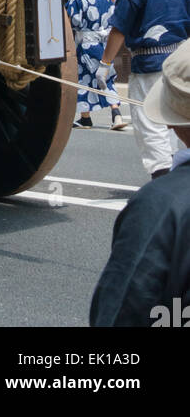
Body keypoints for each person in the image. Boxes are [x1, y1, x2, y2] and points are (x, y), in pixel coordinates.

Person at [89, 36, 190, 327]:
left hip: (148, 64)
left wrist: (106, 63)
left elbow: (123, 312)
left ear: (172, 121)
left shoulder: (161, 206)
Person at [98, 0, 190, 178]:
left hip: (149, 64)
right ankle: (175, 174)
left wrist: (105, 64)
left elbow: (119, 28)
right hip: (180, 63)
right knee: (174, 119)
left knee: (150, 123)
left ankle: (161, 179)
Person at [65, 0, 125, 130]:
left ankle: (116, 114)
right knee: (101, 76)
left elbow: (67, 24)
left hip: (85, 44)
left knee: (93, 78)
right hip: (105, 43)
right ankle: (86, 118)